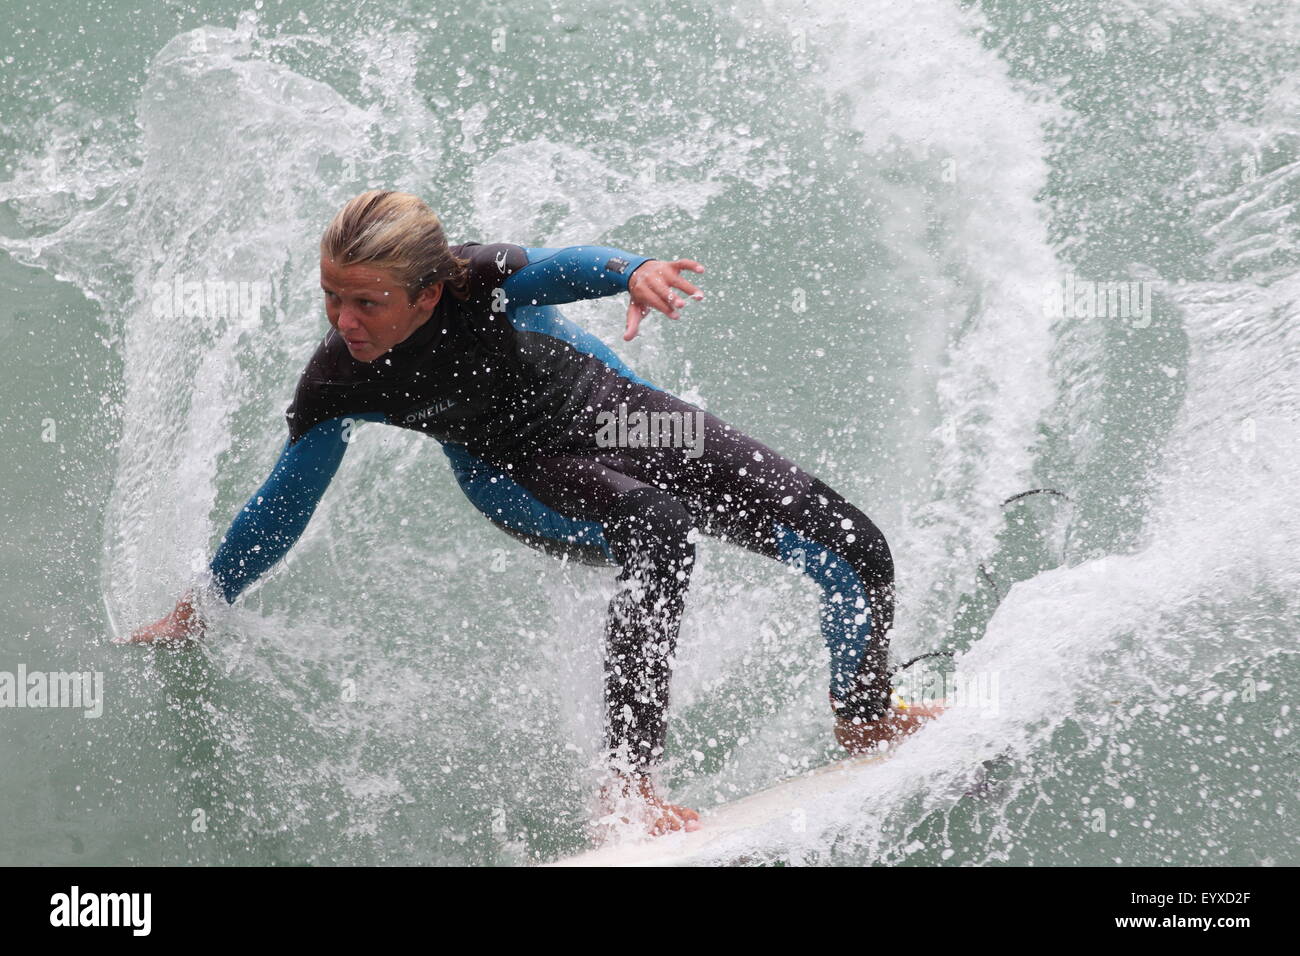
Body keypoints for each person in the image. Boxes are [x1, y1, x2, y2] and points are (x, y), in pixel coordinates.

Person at [124, 190, 943, 837]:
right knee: (656, 524)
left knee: (853, 541)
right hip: (518, 478)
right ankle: (627, 788)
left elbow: (562, 267)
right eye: (332, 297)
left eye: (367, 301)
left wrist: (636, 270)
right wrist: (205, 602)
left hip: (617, 415)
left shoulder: (479, 277)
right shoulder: (344, 379)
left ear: (429, 290)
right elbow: (284, 502)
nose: (344, 321)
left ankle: (866, 718)